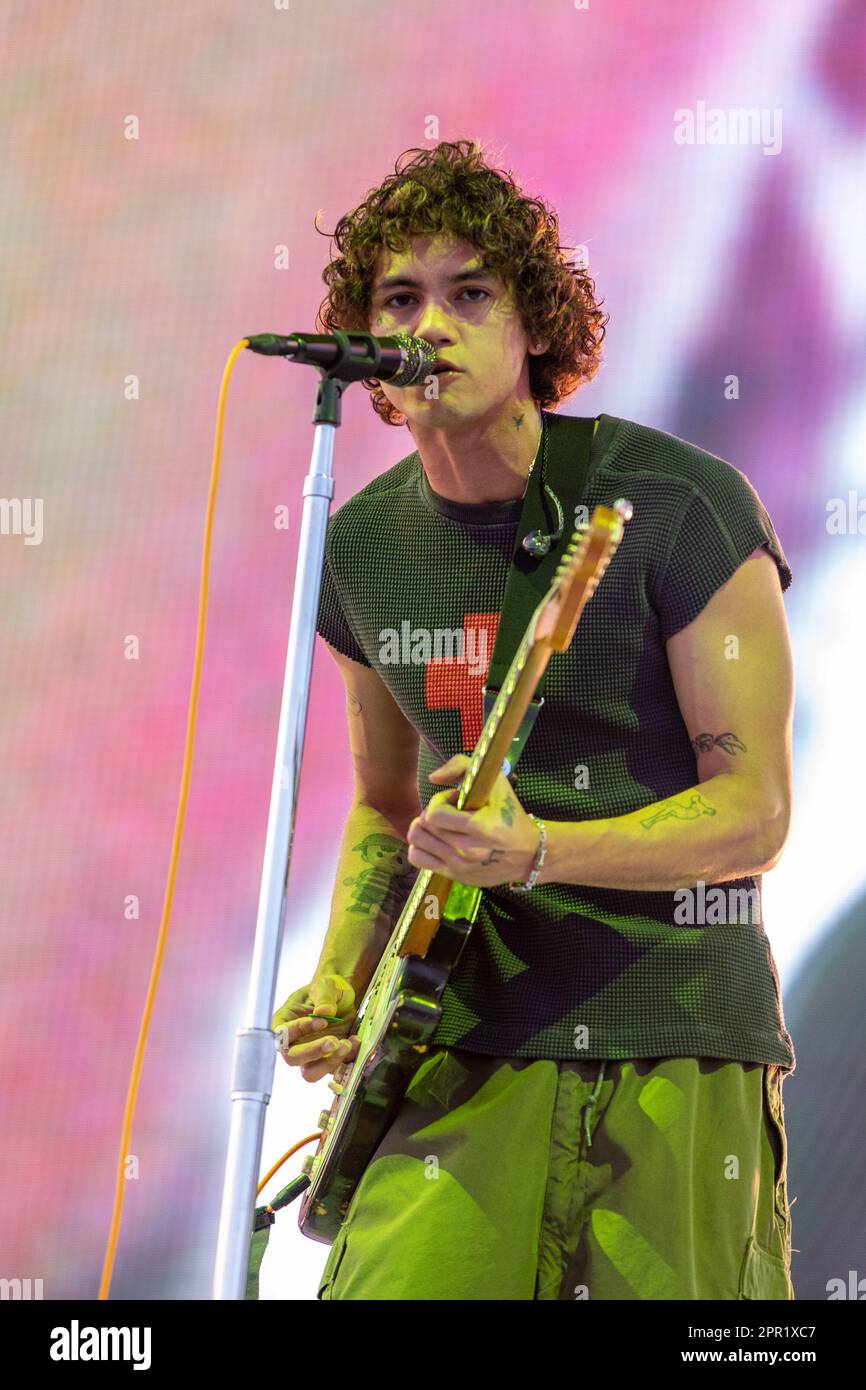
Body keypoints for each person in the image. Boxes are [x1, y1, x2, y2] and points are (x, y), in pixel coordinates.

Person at [271, 139, 796, 1300]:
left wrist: (542, 851)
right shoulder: (357, 545)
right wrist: (339, 979)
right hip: (454, 1041)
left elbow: (752, 810)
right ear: (368, 350)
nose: (433, 324)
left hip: (671, 1027)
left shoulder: (676, 502)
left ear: (533, 324)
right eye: (399, 299)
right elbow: (386, 806)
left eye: (470, 293)